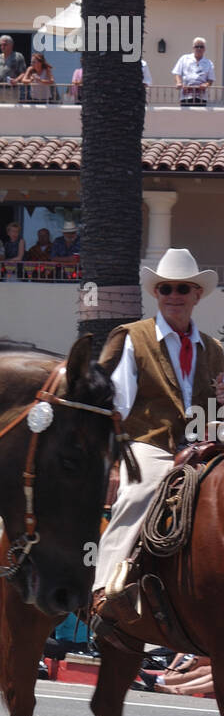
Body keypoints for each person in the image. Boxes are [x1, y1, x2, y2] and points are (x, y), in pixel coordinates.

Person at [91, 248, 224, 634]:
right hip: (150, 442)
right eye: (166, 288)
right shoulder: (134, 338)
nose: (174, 295)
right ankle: (105, 591)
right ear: (157, 294)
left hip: (203, 444)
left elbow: (214, 412)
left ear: (197, 294)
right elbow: (115, 405)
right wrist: (115, 461)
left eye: (183, 288)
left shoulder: (216, 352)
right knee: (142, 489)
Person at [173, 37, 214, 107]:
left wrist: (206, 85)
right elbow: (177, 73)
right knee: (185, 116)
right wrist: (179, 82)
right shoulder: (184, 58)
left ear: (204, 49)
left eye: (201, 47)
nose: (199, 48)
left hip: (201, 96)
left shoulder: (209, 63)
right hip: (186, 95)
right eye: (197, 46)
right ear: (193, 48)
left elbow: (211, 79)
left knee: (200, 117)